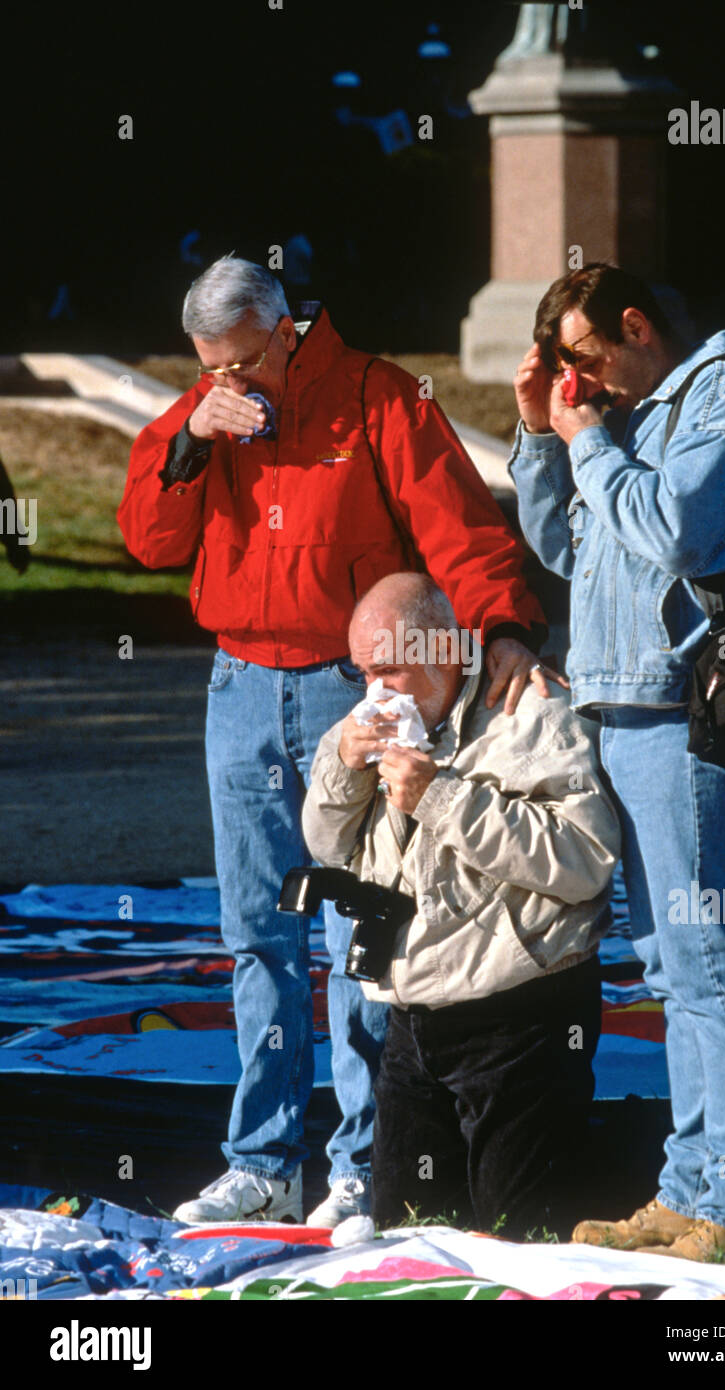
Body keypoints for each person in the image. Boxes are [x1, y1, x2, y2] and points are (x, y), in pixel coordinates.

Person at [117, 255, 550, 1227]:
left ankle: (364, 1164)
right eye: (206, 369)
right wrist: (187, 436)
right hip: (236, 686)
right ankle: (264, 1161)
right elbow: (146, 537)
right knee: (255, 937)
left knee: (359, 931)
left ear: (283, 332)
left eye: (235, 365)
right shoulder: (210, 406)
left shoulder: (380, 399)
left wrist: (508, 629)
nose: (222, 385)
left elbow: (462, 533)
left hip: (349, 693)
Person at [509, 262, 725, 1260]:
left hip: (685, 711)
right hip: (624, 705)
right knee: (670, 964)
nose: (583, 385)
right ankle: (690, 1185)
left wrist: (589, 439)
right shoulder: (631, 414)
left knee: (710, 957)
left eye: (589, 358)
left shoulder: (722, 395)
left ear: (634, 325)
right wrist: (536, 439)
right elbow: (568, 546)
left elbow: (675, 532)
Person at [301, 573, 621, 1237]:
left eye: (389, 668)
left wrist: (440, 797)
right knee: (407, 1238)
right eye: (360, 672)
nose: (375, 692)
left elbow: (586, 859)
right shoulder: (372, 722)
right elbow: (328, 845)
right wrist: (339, 760)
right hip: (413, 1025)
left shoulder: (531, 713)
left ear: (445, 649)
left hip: (520, 1018)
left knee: (520, 1239)